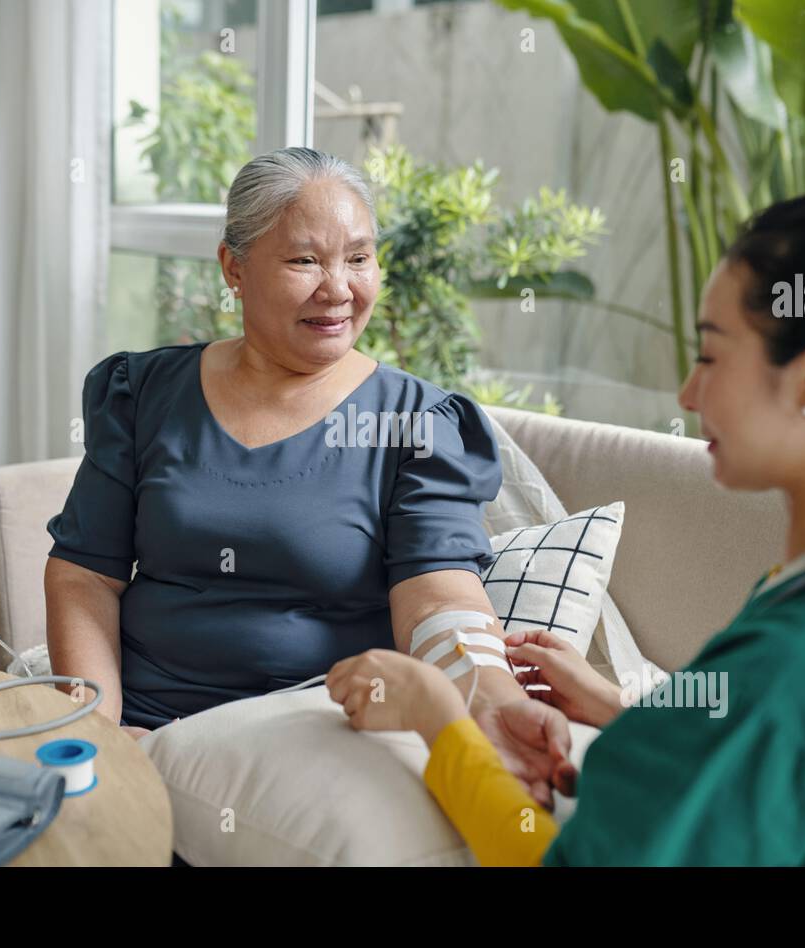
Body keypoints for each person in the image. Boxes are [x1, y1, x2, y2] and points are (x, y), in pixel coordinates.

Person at [328, 190, 805, 866]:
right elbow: (774, 784)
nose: (687, 395)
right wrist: (623, 711)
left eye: (712, 354)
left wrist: (437, 713)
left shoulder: (792, 664)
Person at [45, 147, 567, 804]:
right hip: (137, 717)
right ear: (233, 267)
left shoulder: (415, 422)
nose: (340, 289)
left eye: (359, 257)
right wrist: (101, 731)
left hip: (309, 733)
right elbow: (86, 574)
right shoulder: (142, 391)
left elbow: (440, 599)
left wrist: (490, 699)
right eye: (304, 260)